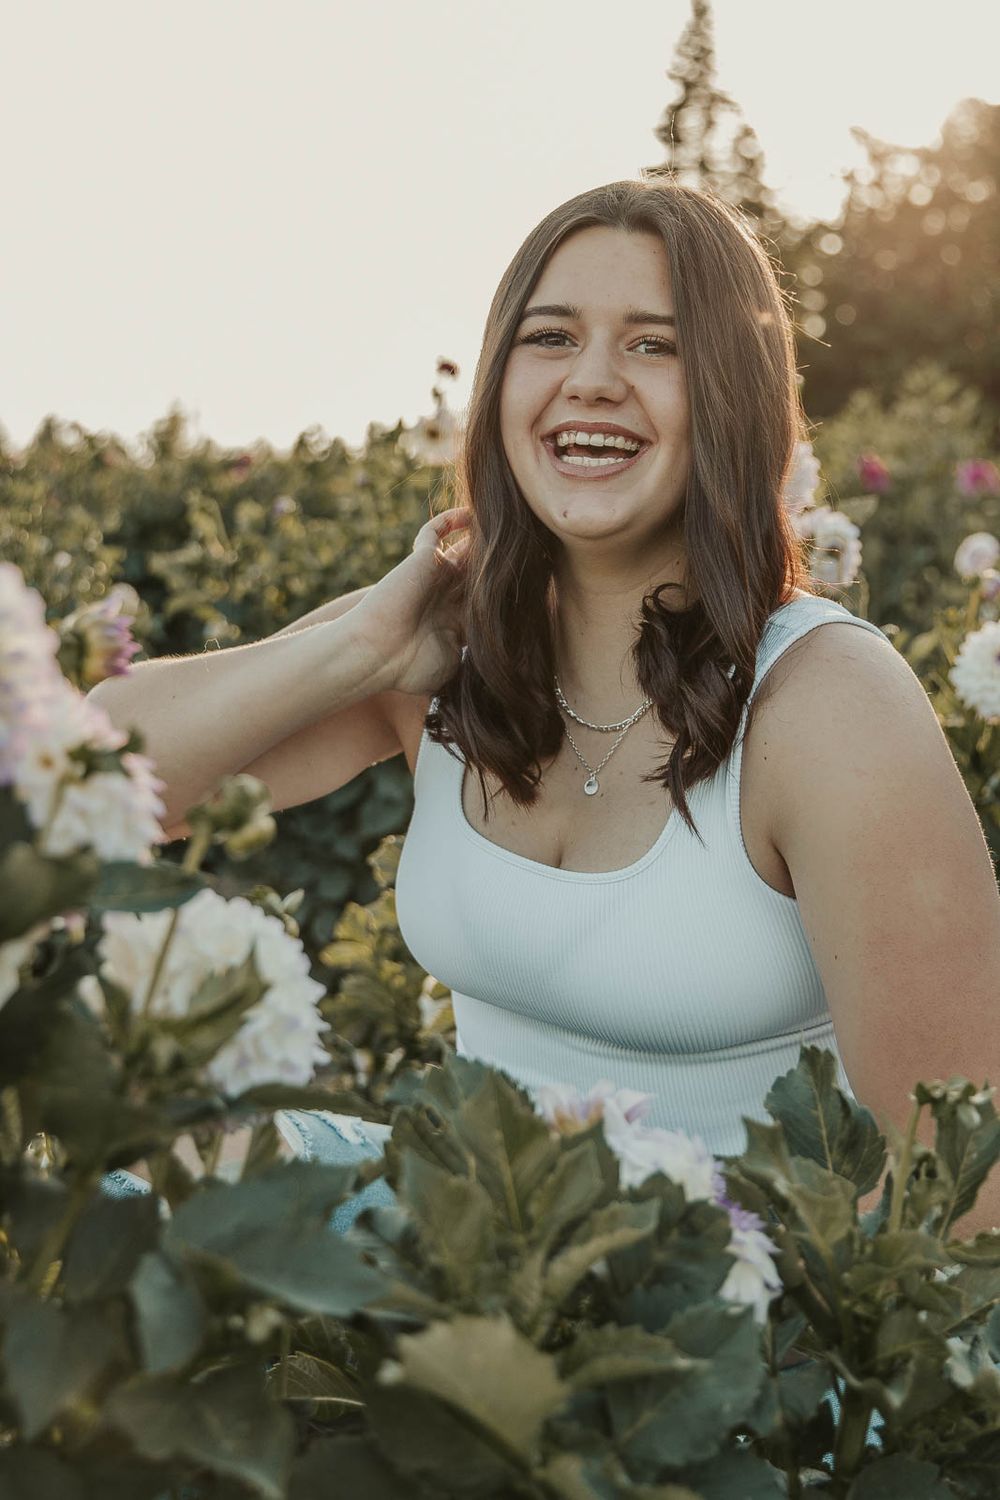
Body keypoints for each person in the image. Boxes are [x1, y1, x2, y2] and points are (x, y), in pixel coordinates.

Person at [98, 176, 999, 1234]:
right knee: (109, 1202)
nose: (594, 381)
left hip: (736, 1317)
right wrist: (356, 647)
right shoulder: (436, 641)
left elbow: (966, 1194)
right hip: (472, 1242)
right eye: (551, 337)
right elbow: (87, 785)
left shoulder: (825, 704)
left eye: (655, 346)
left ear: (732, 398)